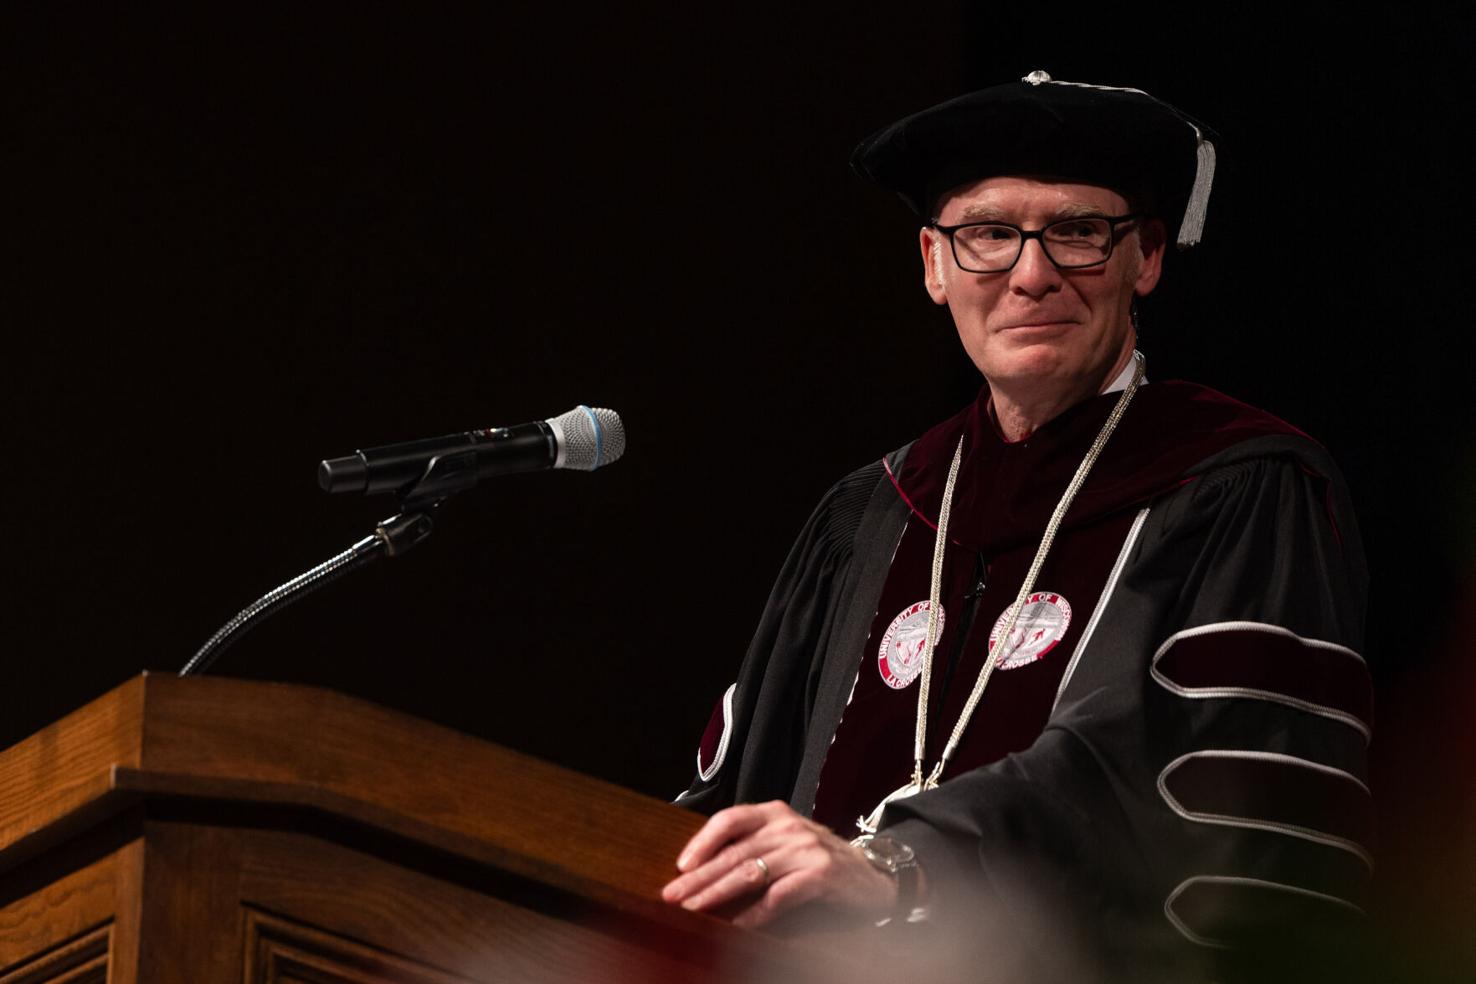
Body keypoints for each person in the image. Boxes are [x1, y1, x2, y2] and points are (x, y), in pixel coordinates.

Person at [661, 72, 1371, 982]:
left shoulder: (1243, 487)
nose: (1031, 275)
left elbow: (1175, 782)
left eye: (1077, 232)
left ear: (1146, 256)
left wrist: (903, 862)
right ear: (933, 263)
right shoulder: (871, 513)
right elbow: (741, 793)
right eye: (990, 234)